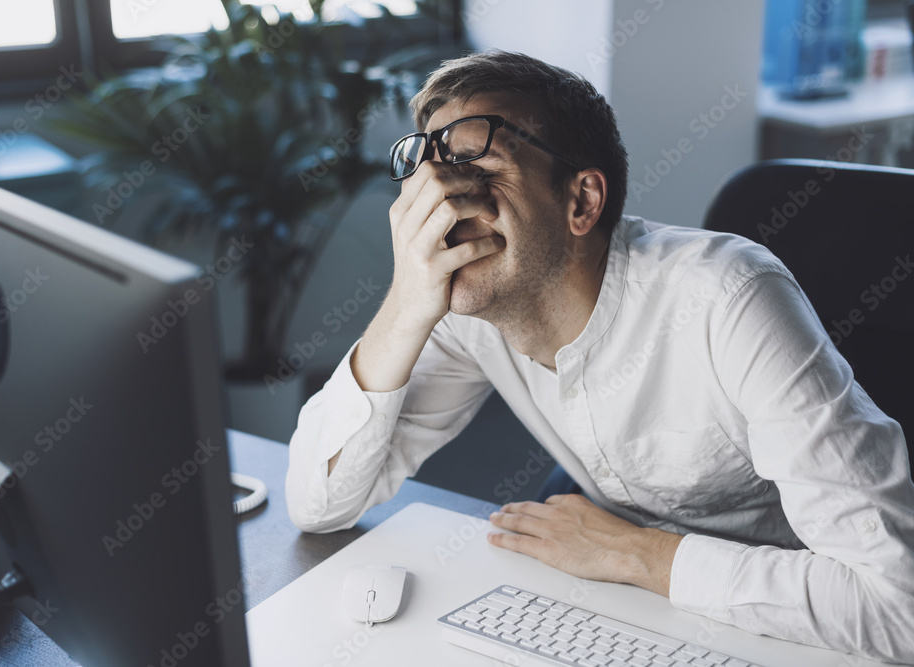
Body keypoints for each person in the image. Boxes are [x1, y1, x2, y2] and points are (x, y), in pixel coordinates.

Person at [285, 50, 914, 663]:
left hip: (794, 620)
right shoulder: (466, 309)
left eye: (479, 166)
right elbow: (319, 505)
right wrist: (406, 302)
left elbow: (899, 607)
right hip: (616, 609)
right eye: (430, 175)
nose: (447, 206)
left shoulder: (727, 301)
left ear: (582, 201)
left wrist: (636, 554)